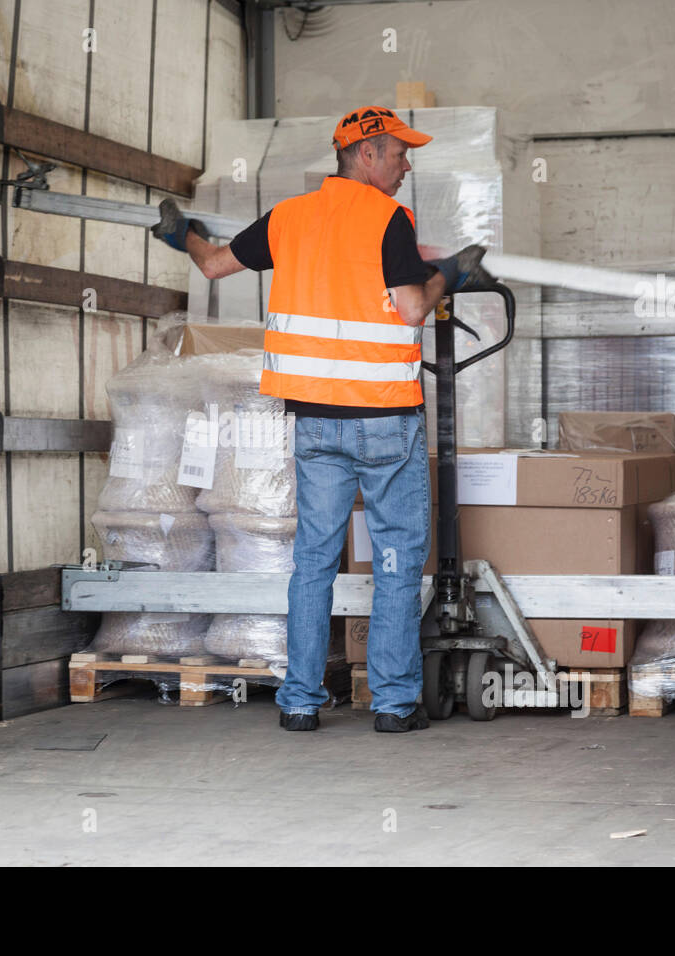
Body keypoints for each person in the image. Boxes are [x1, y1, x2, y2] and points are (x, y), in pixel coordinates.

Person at [153, 105, 494, 733]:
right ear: (365, 154)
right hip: (385, 420)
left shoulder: (289, 218)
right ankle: (393, 705)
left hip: (315, 423)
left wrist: (184, 235)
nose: (405, 165)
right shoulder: (388, 219)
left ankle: (300, 702)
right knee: (394, 559)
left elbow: (213, 264)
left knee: (312, 560)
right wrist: (452, 273)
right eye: (398, 154)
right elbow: (413, 307)